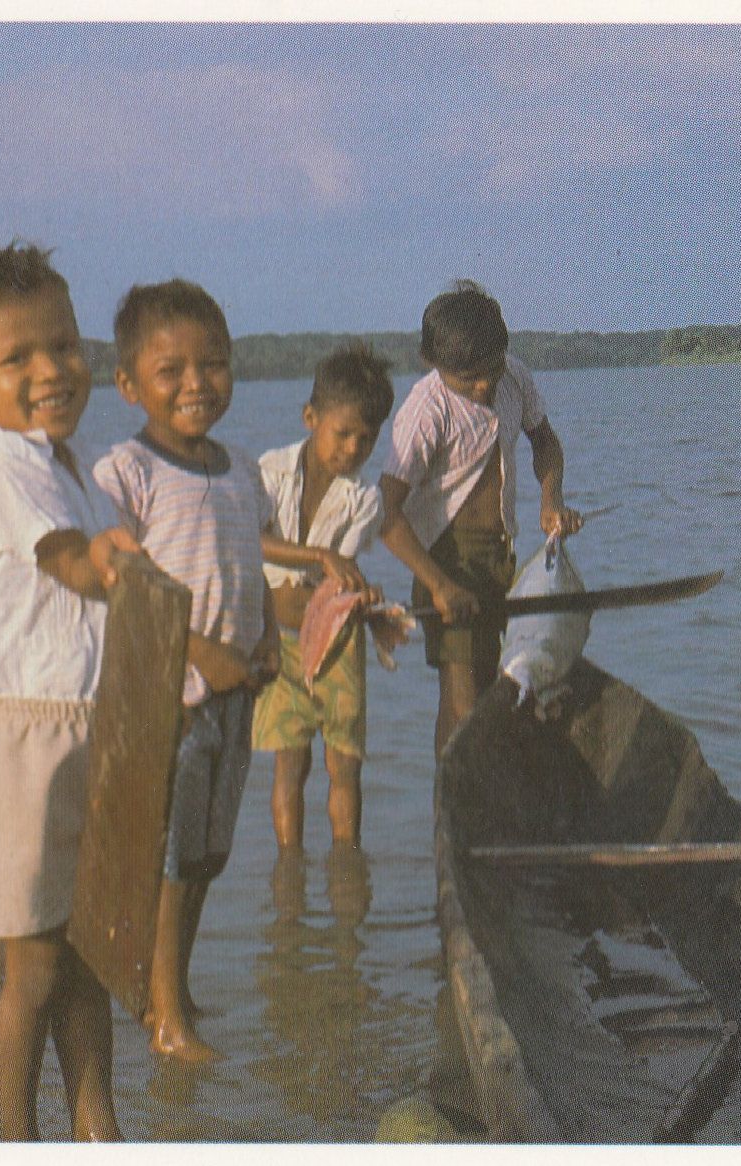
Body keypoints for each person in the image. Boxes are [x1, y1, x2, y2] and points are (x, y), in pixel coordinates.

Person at [0, 244, 132, 1141]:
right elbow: (66, 562)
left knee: (87, 956)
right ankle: (17, 1141)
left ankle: (98, 1128)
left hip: (80, 723)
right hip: (21, 740)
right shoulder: (4, 465)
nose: (50, 370)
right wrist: (106, 562)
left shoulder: (62, 459)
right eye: (17, 359)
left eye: (63, 345)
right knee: (34, 970)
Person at [93, 279, 280, 1063]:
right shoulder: (124, 471)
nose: (196, 384)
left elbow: (253, 566)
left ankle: (177, 988)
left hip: (236, 697)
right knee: (169, 861)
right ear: (129, 385)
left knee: (207, 856)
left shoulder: (241, 469)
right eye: (170, 371)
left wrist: (267, 639)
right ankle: (162, 1013)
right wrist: (201, 653)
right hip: (172, 700)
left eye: (213, 364)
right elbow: (123, 580)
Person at [378, 280, 583, 758]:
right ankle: (455, 814)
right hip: (444, 562)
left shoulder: (514, 378)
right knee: (463, 699)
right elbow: (387, 516)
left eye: (490, 369)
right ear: (435, 364)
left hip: (502, 558)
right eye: (467, 377)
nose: (483, 385)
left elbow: (545, 443)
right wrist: (440, 586)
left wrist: (550, 501)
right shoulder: (426, 411)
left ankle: (482, 807)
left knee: (500, 691)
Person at [252, 343, 395, 850]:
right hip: (280, 643)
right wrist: (318, 558)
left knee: (344, 767)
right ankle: (289, 868)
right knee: (290, 767)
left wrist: (361, 592)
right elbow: (251, 540)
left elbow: (344, 570)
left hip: (338, 649)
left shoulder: (366, 498)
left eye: (368, 438)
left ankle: (346, 871)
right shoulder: (269, 471)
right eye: (343, 433)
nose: (353, 449)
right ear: (311, 417)